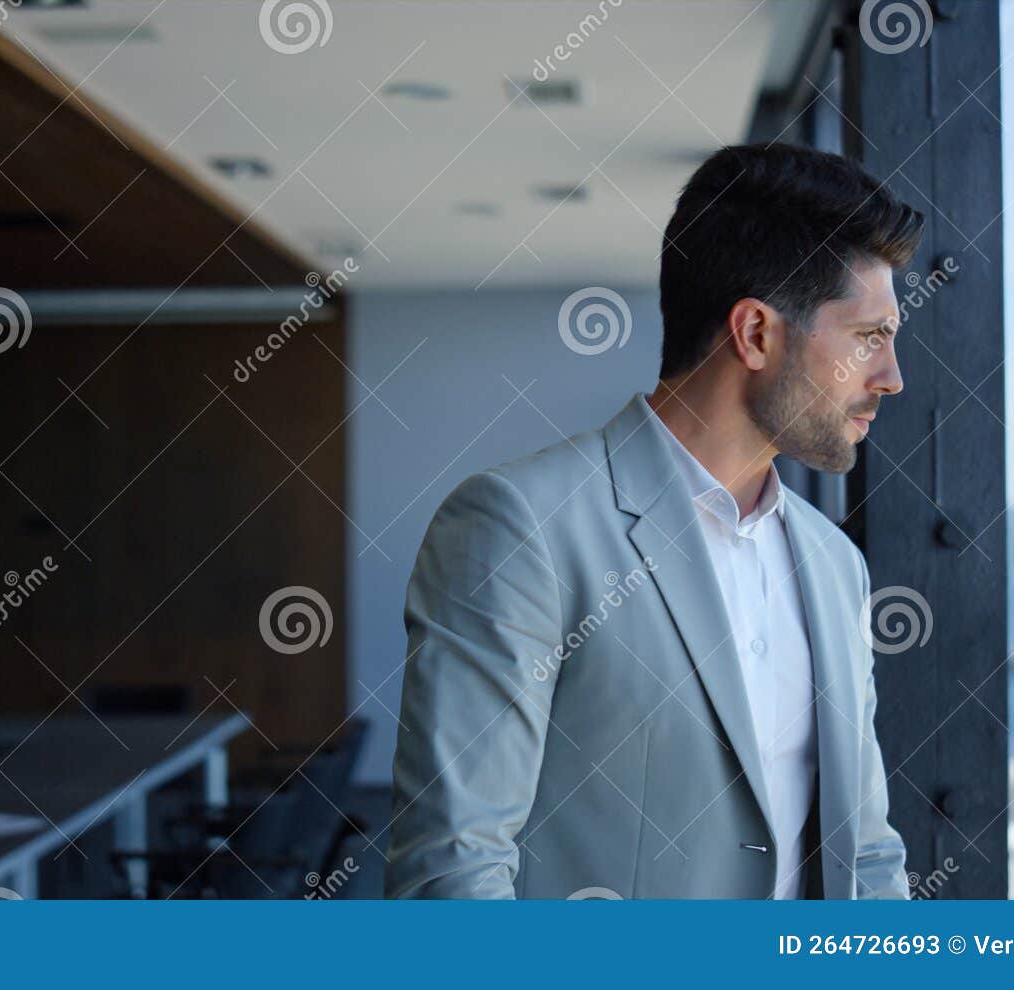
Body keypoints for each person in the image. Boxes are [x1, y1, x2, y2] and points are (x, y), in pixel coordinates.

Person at [385, 143, 923, 899]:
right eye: (869, 337)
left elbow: (866, 857)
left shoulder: (834, 564)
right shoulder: (521, 527)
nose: (892, 377)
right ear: (757, 334)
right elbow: (453, 870)